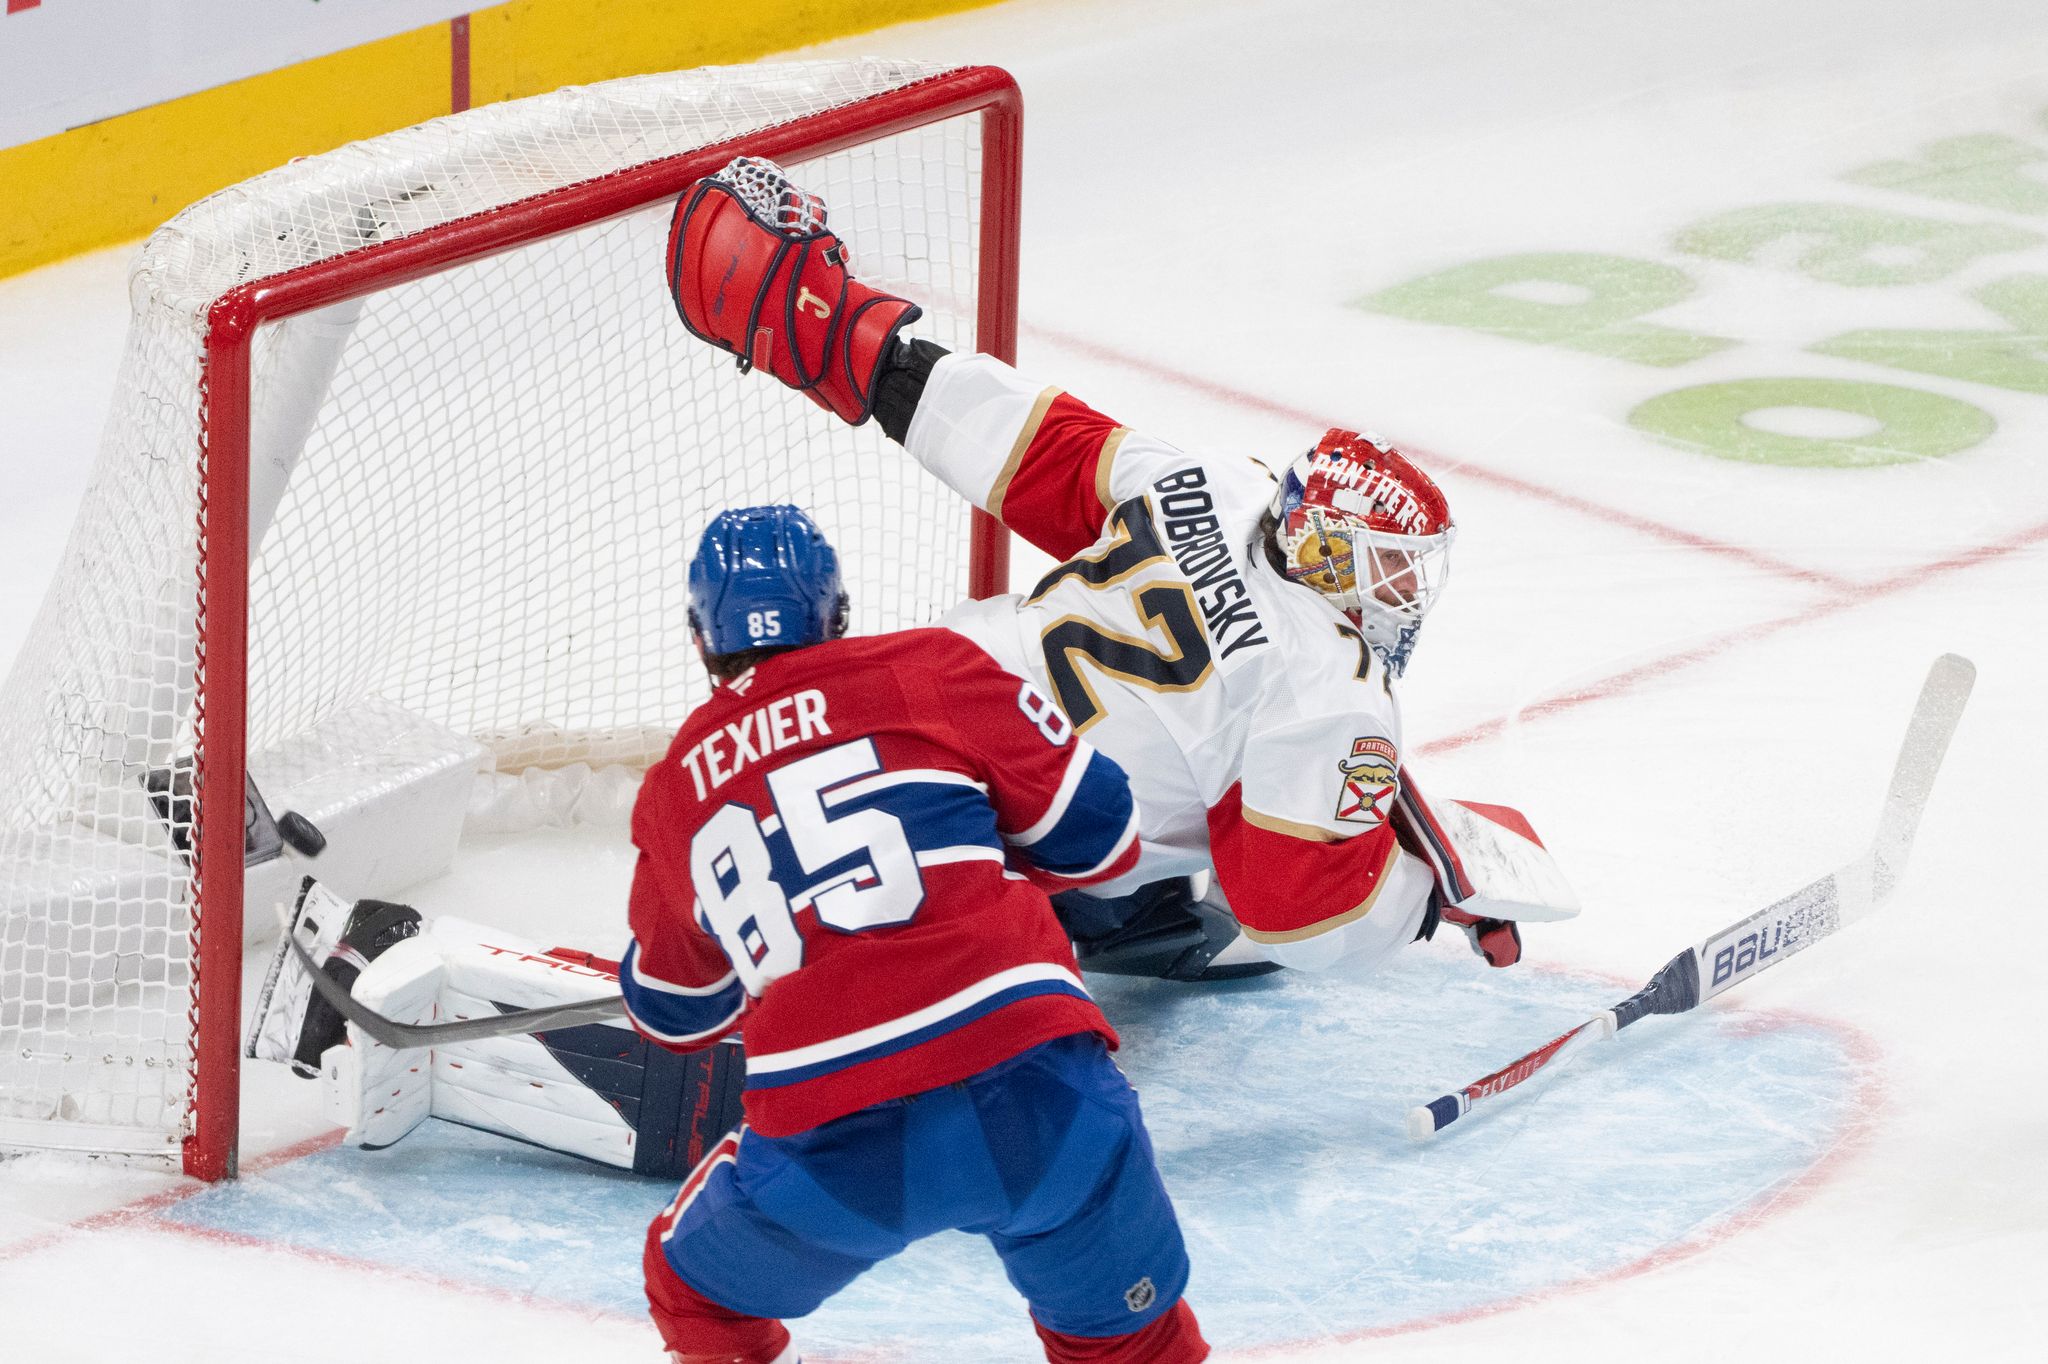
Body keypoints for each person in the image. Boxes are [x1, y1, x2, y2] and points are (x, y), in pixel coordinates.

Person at [252, 158, 1574, 1186]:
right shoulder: (1333, 691)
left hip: (909, 692)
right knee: (884, 1046)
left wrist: (845, 331)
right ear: (1341, 556)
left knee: (1160, 908)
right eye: (1391, 574)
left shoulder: (1211, 483)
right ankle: (492, 994)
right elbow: (1301, 908)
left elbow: (1014, 440)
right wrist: (1429, 904)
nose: (1399, 602)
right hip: (992, 831)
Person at [629, 505, 1204, 1362]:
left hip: (835, 1145)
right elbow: (1105, 835)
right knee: (1132, 1342)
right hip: (1041, 1089)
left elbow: (676, 1016)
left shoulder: (675, 786)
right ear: (838, 614)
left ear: (699, 636)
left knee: (694, 1296)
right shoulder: (930, 666)